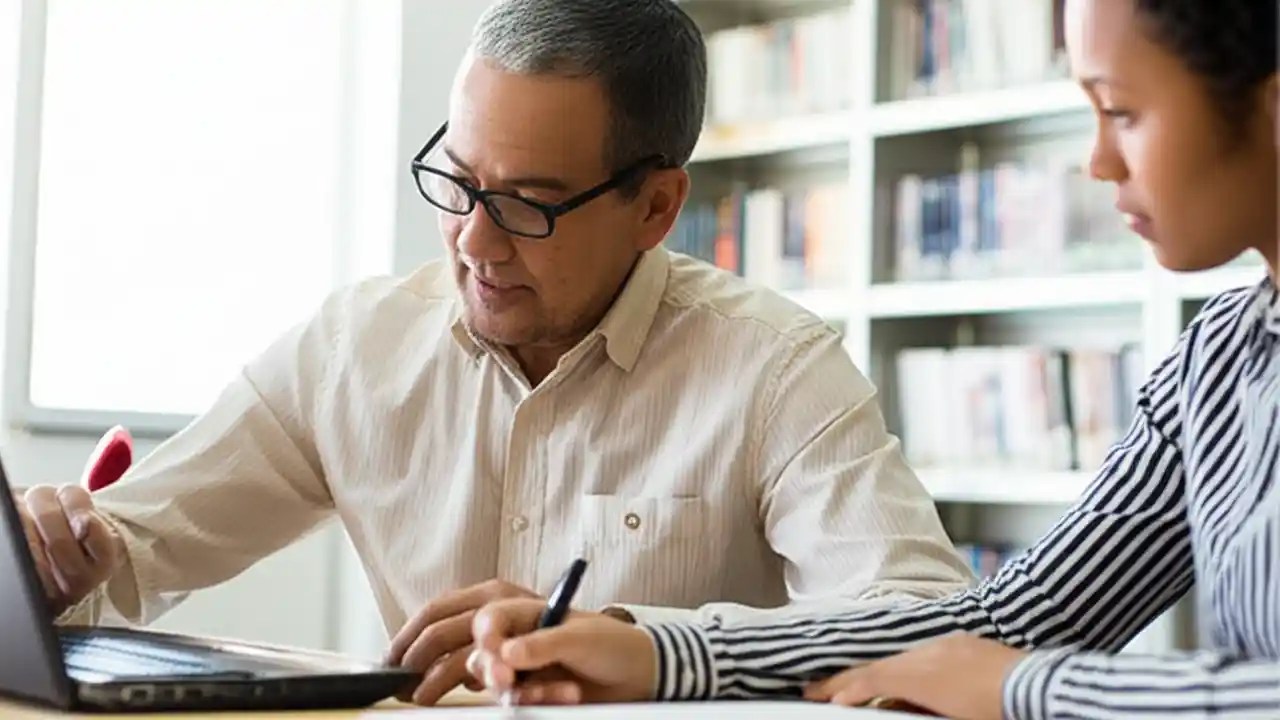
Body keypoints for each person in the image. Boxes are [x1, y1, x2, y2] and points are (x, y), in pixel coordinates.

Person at [11, 0, 976, 708]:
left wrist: (639, 643)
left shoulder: (776, 370)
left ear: (656, 207)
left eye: (526, 202)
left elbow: (930, 622)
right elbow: (127, 549)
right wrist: (51, 555)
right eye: (457, 181)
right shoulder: (353, 350)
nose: (474, 239)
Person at [468, 0, 1280, 717]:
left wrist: (1022, 687)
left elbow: (1009, 663)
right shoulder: (1219, 359)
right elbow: (1016, 620)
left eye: (1122, 111)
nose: (1097, 162)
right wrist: (661, 653)